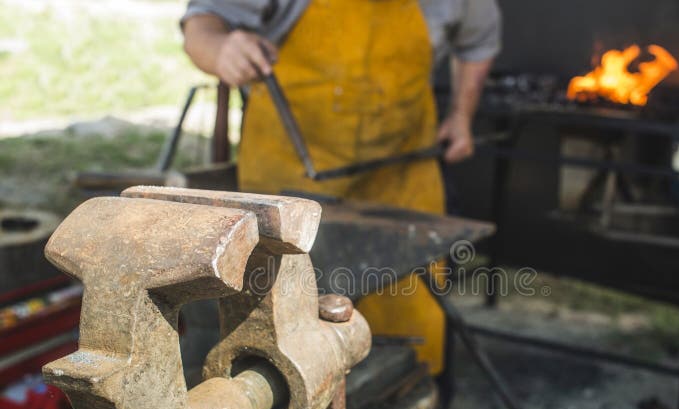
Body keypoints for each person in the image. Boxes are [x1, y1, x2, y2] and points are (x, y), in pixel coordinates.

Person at [182, 0, 501, 375]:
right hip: (290, 176)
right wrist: (220, 49)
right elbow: (201, 23)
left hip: (401, 178)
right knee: (283, 341)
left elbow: (478, 42)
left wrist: (461, 116)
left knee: (408, 337)